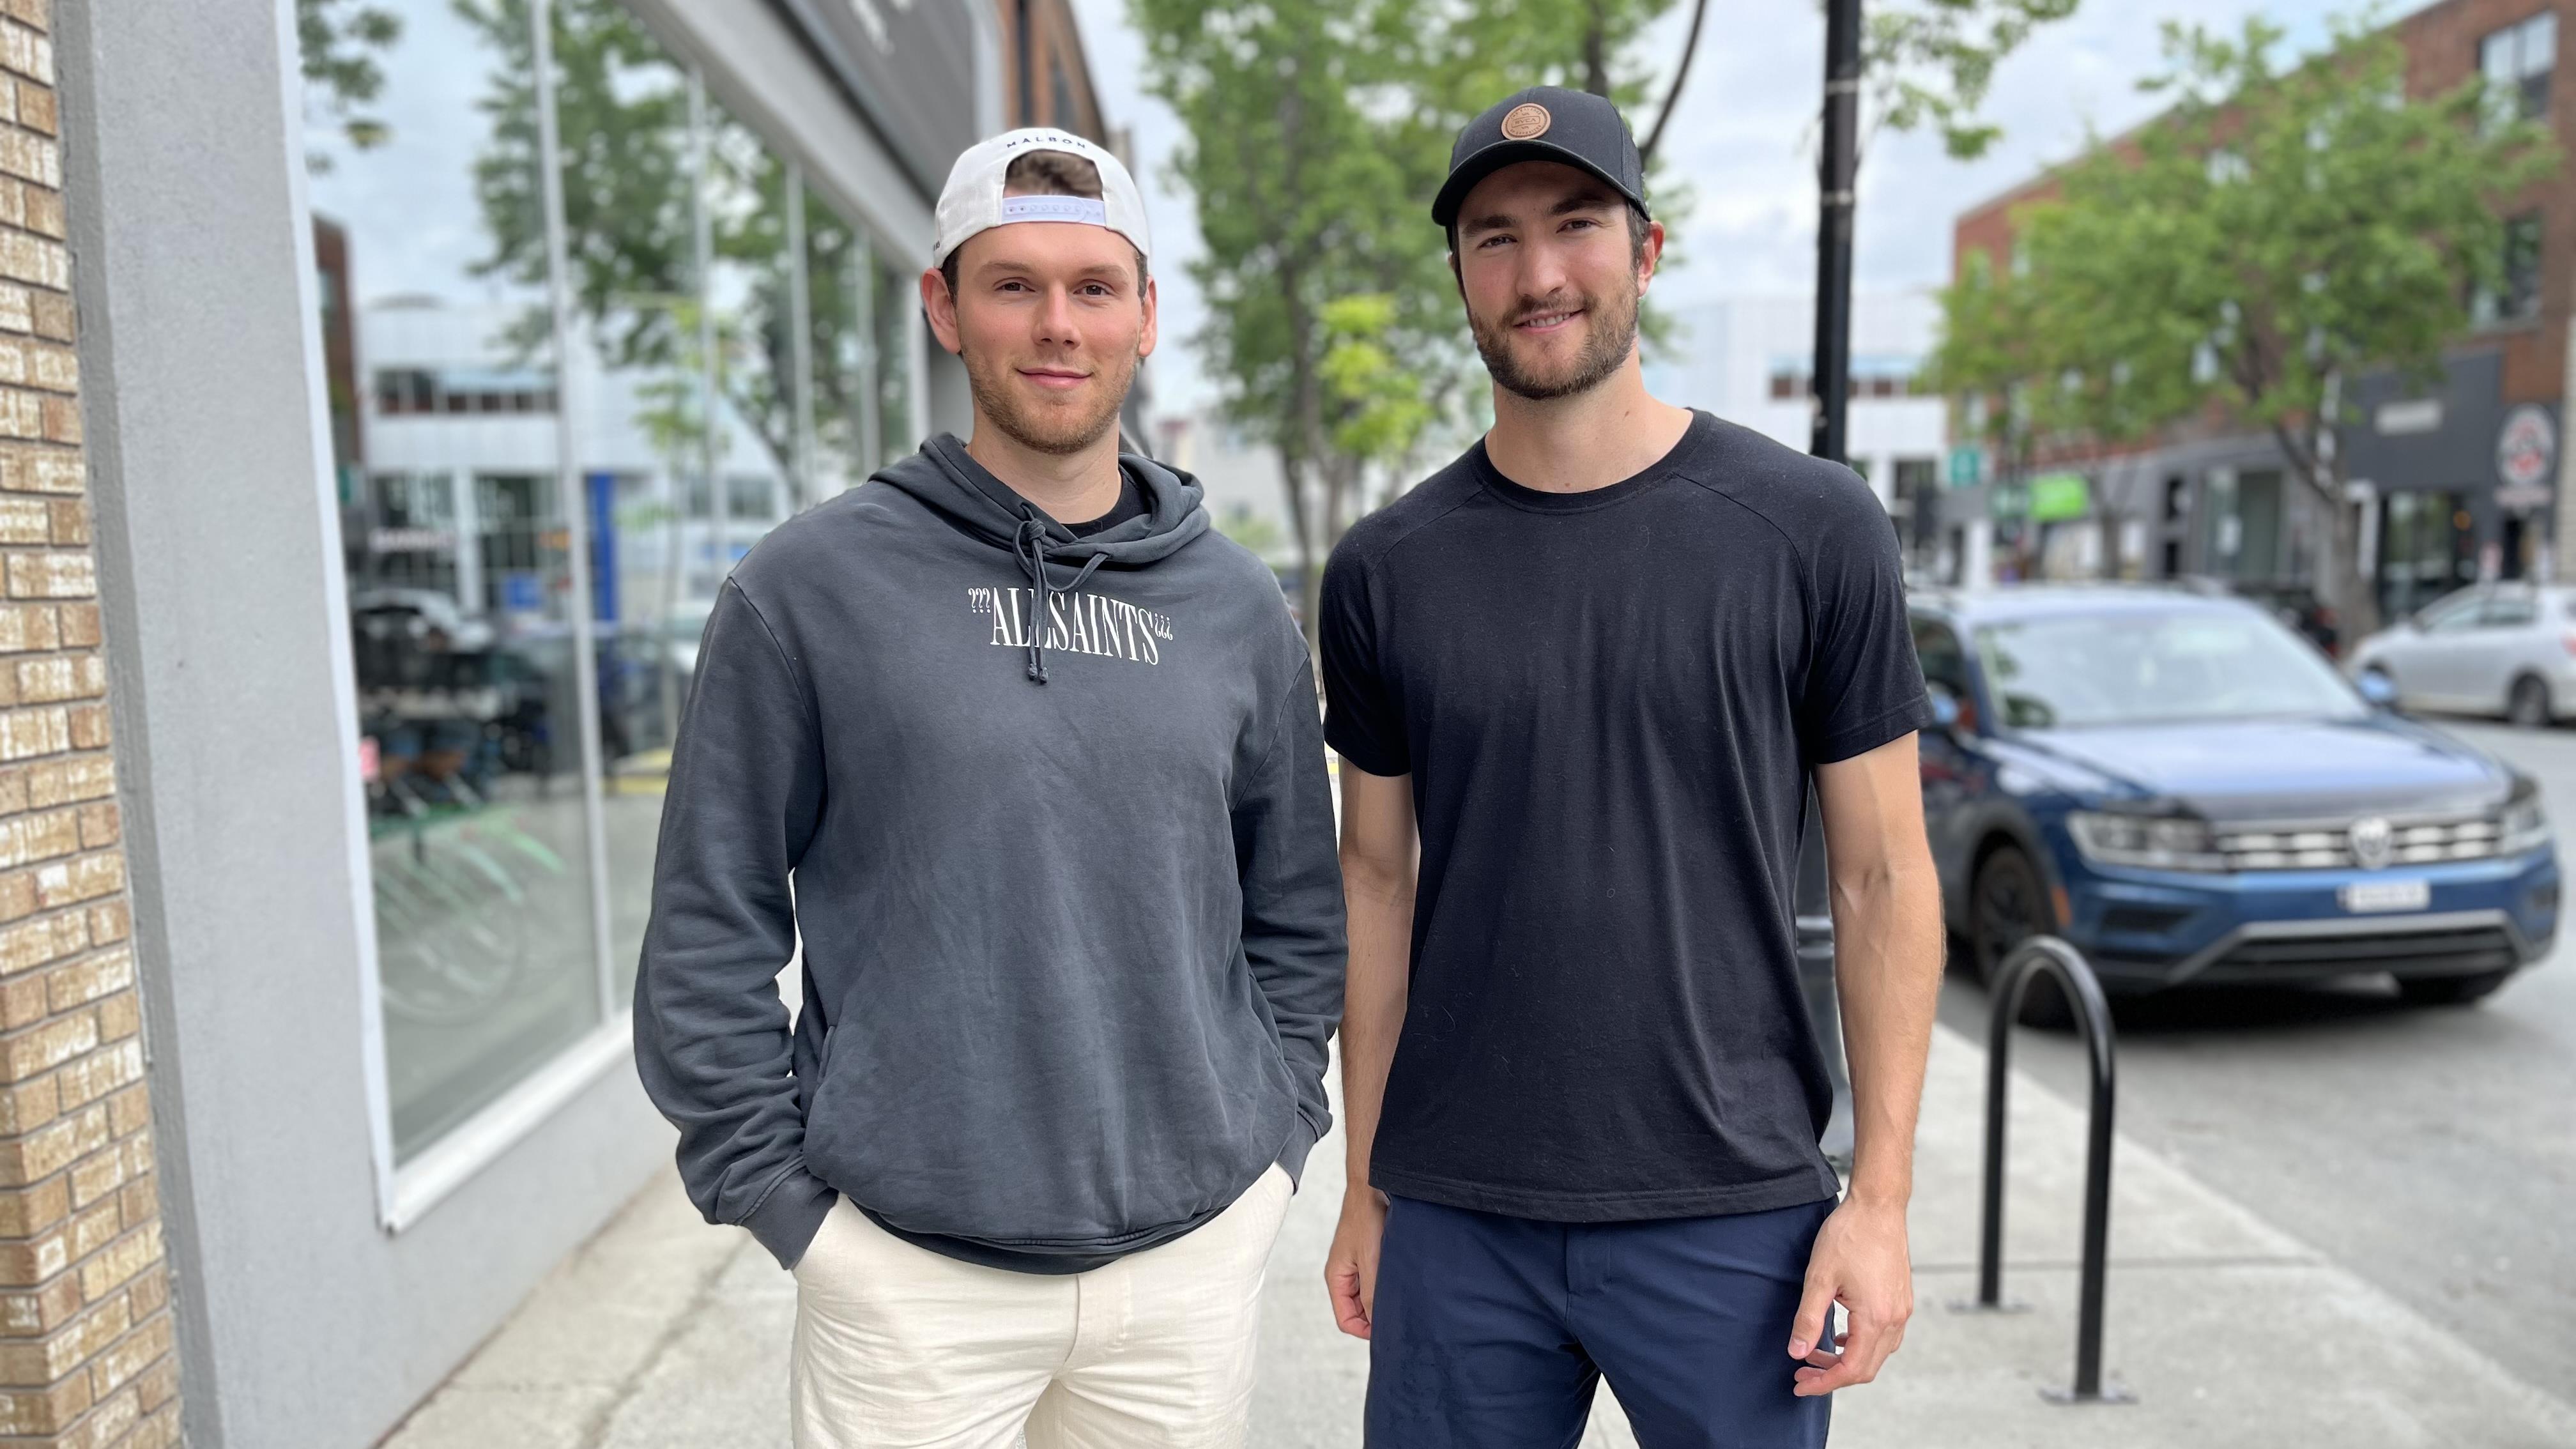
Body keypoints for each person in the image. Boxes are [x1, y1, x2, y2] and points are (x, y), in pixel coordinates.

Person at [633, 126, 1345, 1449]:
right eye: (1012, 283)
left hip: (1188, 1270)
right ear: (943, 307)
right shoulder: (808, 590)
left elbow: (1297, 905)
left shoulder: (1237, 605)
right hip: (908, 1282)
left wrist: (1279, 1135)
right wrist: (794, 1212)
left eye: (1091, 286)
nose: (1056, 324)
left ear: (1145, 315)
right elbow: (708, 921)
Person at [1319, 86, 1945, 1446]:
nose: (1539, 273)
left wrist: (1879, 1204)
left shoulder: (1810, 529)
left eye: (1577, 225)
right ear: (1459, 274)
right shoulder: (1384, 571)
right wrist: (1365, 1185)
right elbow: (1375, 880)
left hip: (1735, 1213)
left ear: (1647, 250)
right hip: (1455, 1213)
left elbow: (1888, 871)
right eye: (1494, 238)